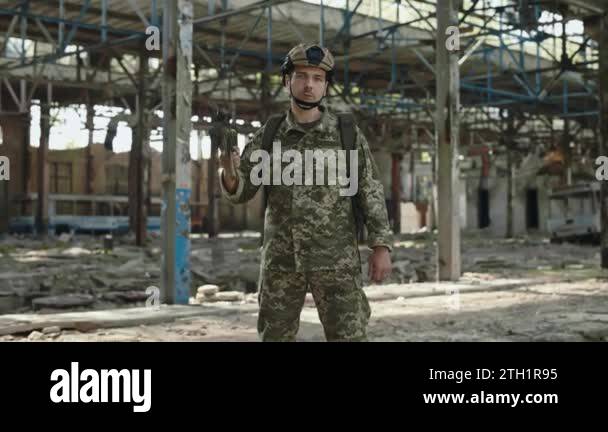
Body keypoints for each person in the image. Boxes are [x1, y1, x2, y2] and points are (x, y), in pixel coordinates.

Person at [219, 43, 392, 342]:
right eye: (301, 76)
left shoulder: (346, 133)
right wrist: (230, 172)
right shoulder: (270, 133)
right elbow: (243, 190)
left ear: (325, 85)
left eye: (317, 78)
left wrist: (381, 246)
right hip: (282, 262)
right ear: (287, 81)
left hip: (337, 260)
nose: (309, 85)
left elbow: (369, 189)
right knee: (275, 337)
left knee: (349, 337)